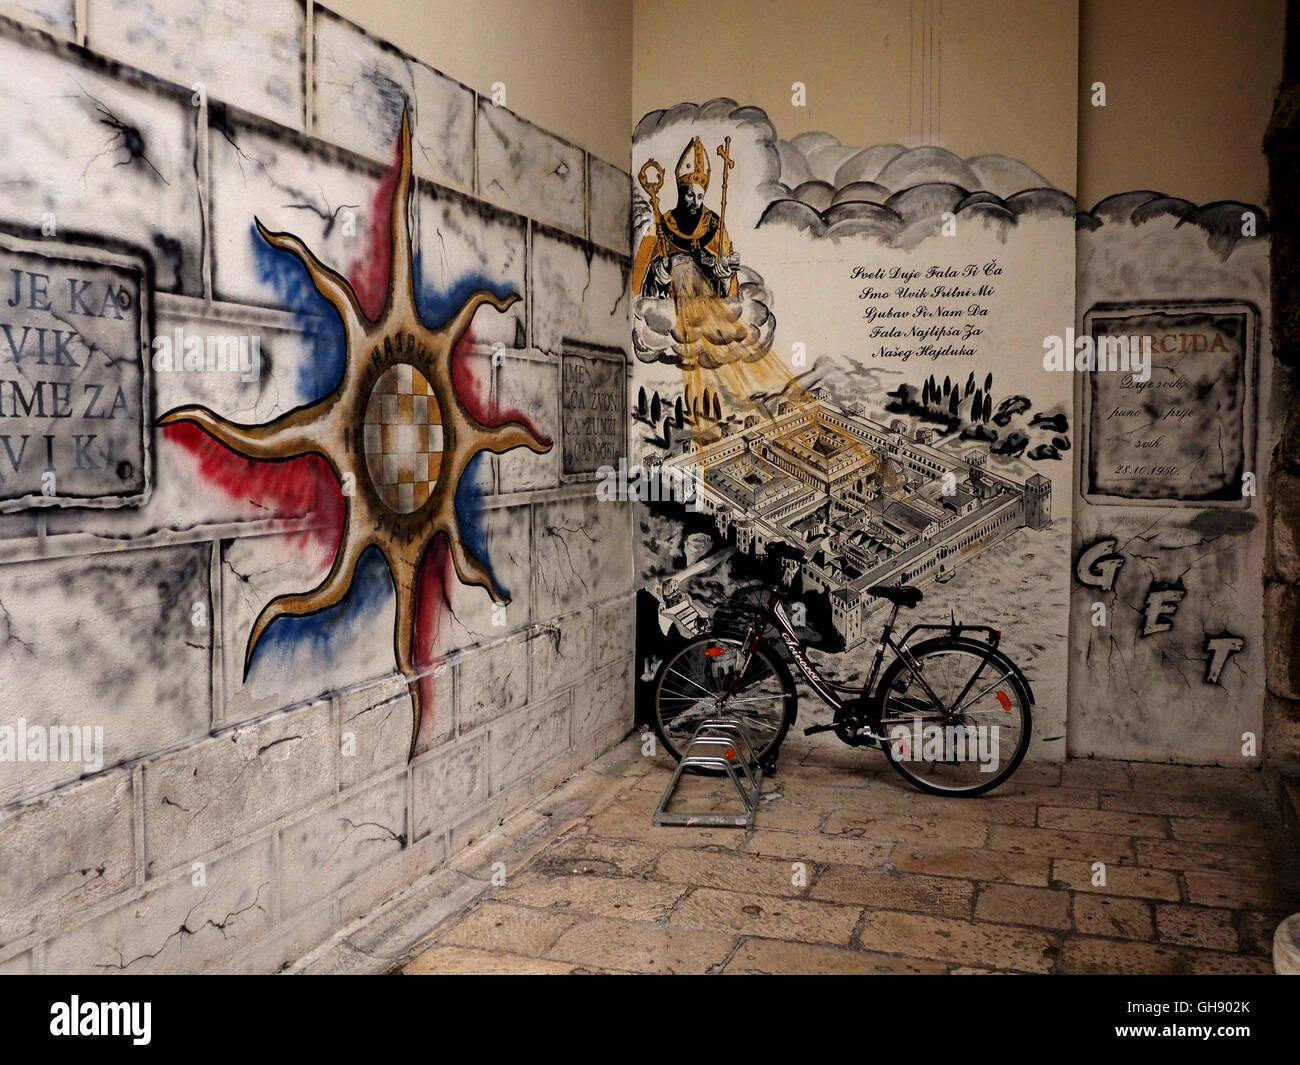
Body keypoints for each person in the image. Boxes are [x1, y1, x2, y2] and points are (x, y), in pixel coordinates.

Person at [632, 137, 740, 299]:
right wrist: (663, 268)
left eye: (700, 196)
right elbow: (638, 281)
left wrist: (724, 277)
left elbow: (730, 289)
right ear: (680, 193)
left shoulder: (715, 226)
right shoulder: (657, 228)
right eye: (690, 195)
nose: (695, 202)